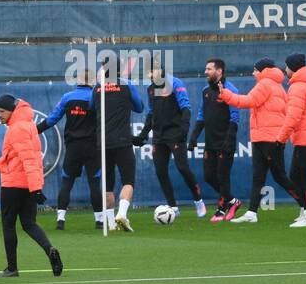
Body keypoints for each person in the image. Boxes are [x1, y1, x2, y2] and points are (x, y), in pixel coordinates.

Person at [0, 95, 64, 278]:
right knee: (29, 224)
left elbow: (29, 160)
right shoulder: (26, 125)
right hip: (27, 184)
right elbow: (16, 155)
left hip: (13, 184)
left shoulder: (16, 128)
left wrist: (36, 188)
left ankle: (12, 268)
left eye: (2, 111)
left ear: (12, 110)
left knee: (8, 225)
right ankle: (50, 249)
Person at [218, 57, 304, 224]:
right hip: (263, 138)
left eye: (255, 70)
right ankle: (251, 213)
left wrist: (225, 94)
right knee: (258, 177)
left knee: (279, 176)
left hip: (269, 139)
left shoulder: (265, 84)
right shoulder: (276, 85)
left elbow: (247, 101)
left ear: (263, 71)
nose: (253, 72)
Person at [133, 58, 206, 218]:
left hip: (176, 133)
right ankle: (173, 207)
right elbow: (151, 114)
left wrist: (184, 129)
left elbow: (186, 108)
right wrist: (143, 135)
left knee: (182, 168)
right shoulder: (151, 89)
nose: (150, 75)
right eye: (148, 72)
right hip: (159, 136)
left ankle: (198, 200)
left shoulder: (174, 82)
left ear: (159, 69)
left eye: (151, 71)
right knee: (160, 171)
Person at [38, 71, 104, 231]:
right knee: (94, 183)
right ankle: (99, 221)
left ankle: (60, 219)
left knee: (67, 182)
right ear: (94, 80)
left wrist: (35, 130)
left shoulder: (67, 97)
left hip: (73, 147)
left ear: (78, 80)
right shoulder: (97, 97)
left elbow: (53, 119)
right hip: (92, 147)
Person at [188, 57, 243, 222]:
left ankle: (221, 210)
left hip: (225, 143)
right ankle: (232, 201)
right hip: (210, 143)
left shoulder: (230, 90)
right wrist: (194, 137)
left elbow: (235, 117)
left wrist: (229, 140)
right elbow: (201, 115)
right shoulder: (205, 91)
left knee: (222, 176)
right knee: (209, 176)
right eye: (206, 69)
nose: (206, 72)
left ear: (219, 71)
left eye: (209, 69)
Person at [275, 53, 306, 228]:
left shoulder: (297, 87)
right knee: (295, 177)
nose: (285, 69)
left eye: (287, 66)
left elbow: (293, 117)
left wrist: (280, 138)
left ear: (293, 67)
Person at [93, 64, 145, 231]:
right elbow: (139, 107)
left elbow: (90, 107)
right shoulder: (127, 85)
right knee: (128, 181)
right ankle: (122, 213)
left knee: (107, 184)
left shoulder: (97, 88)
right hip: (122, 141)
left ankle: (111, 224)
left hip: (102, 143)